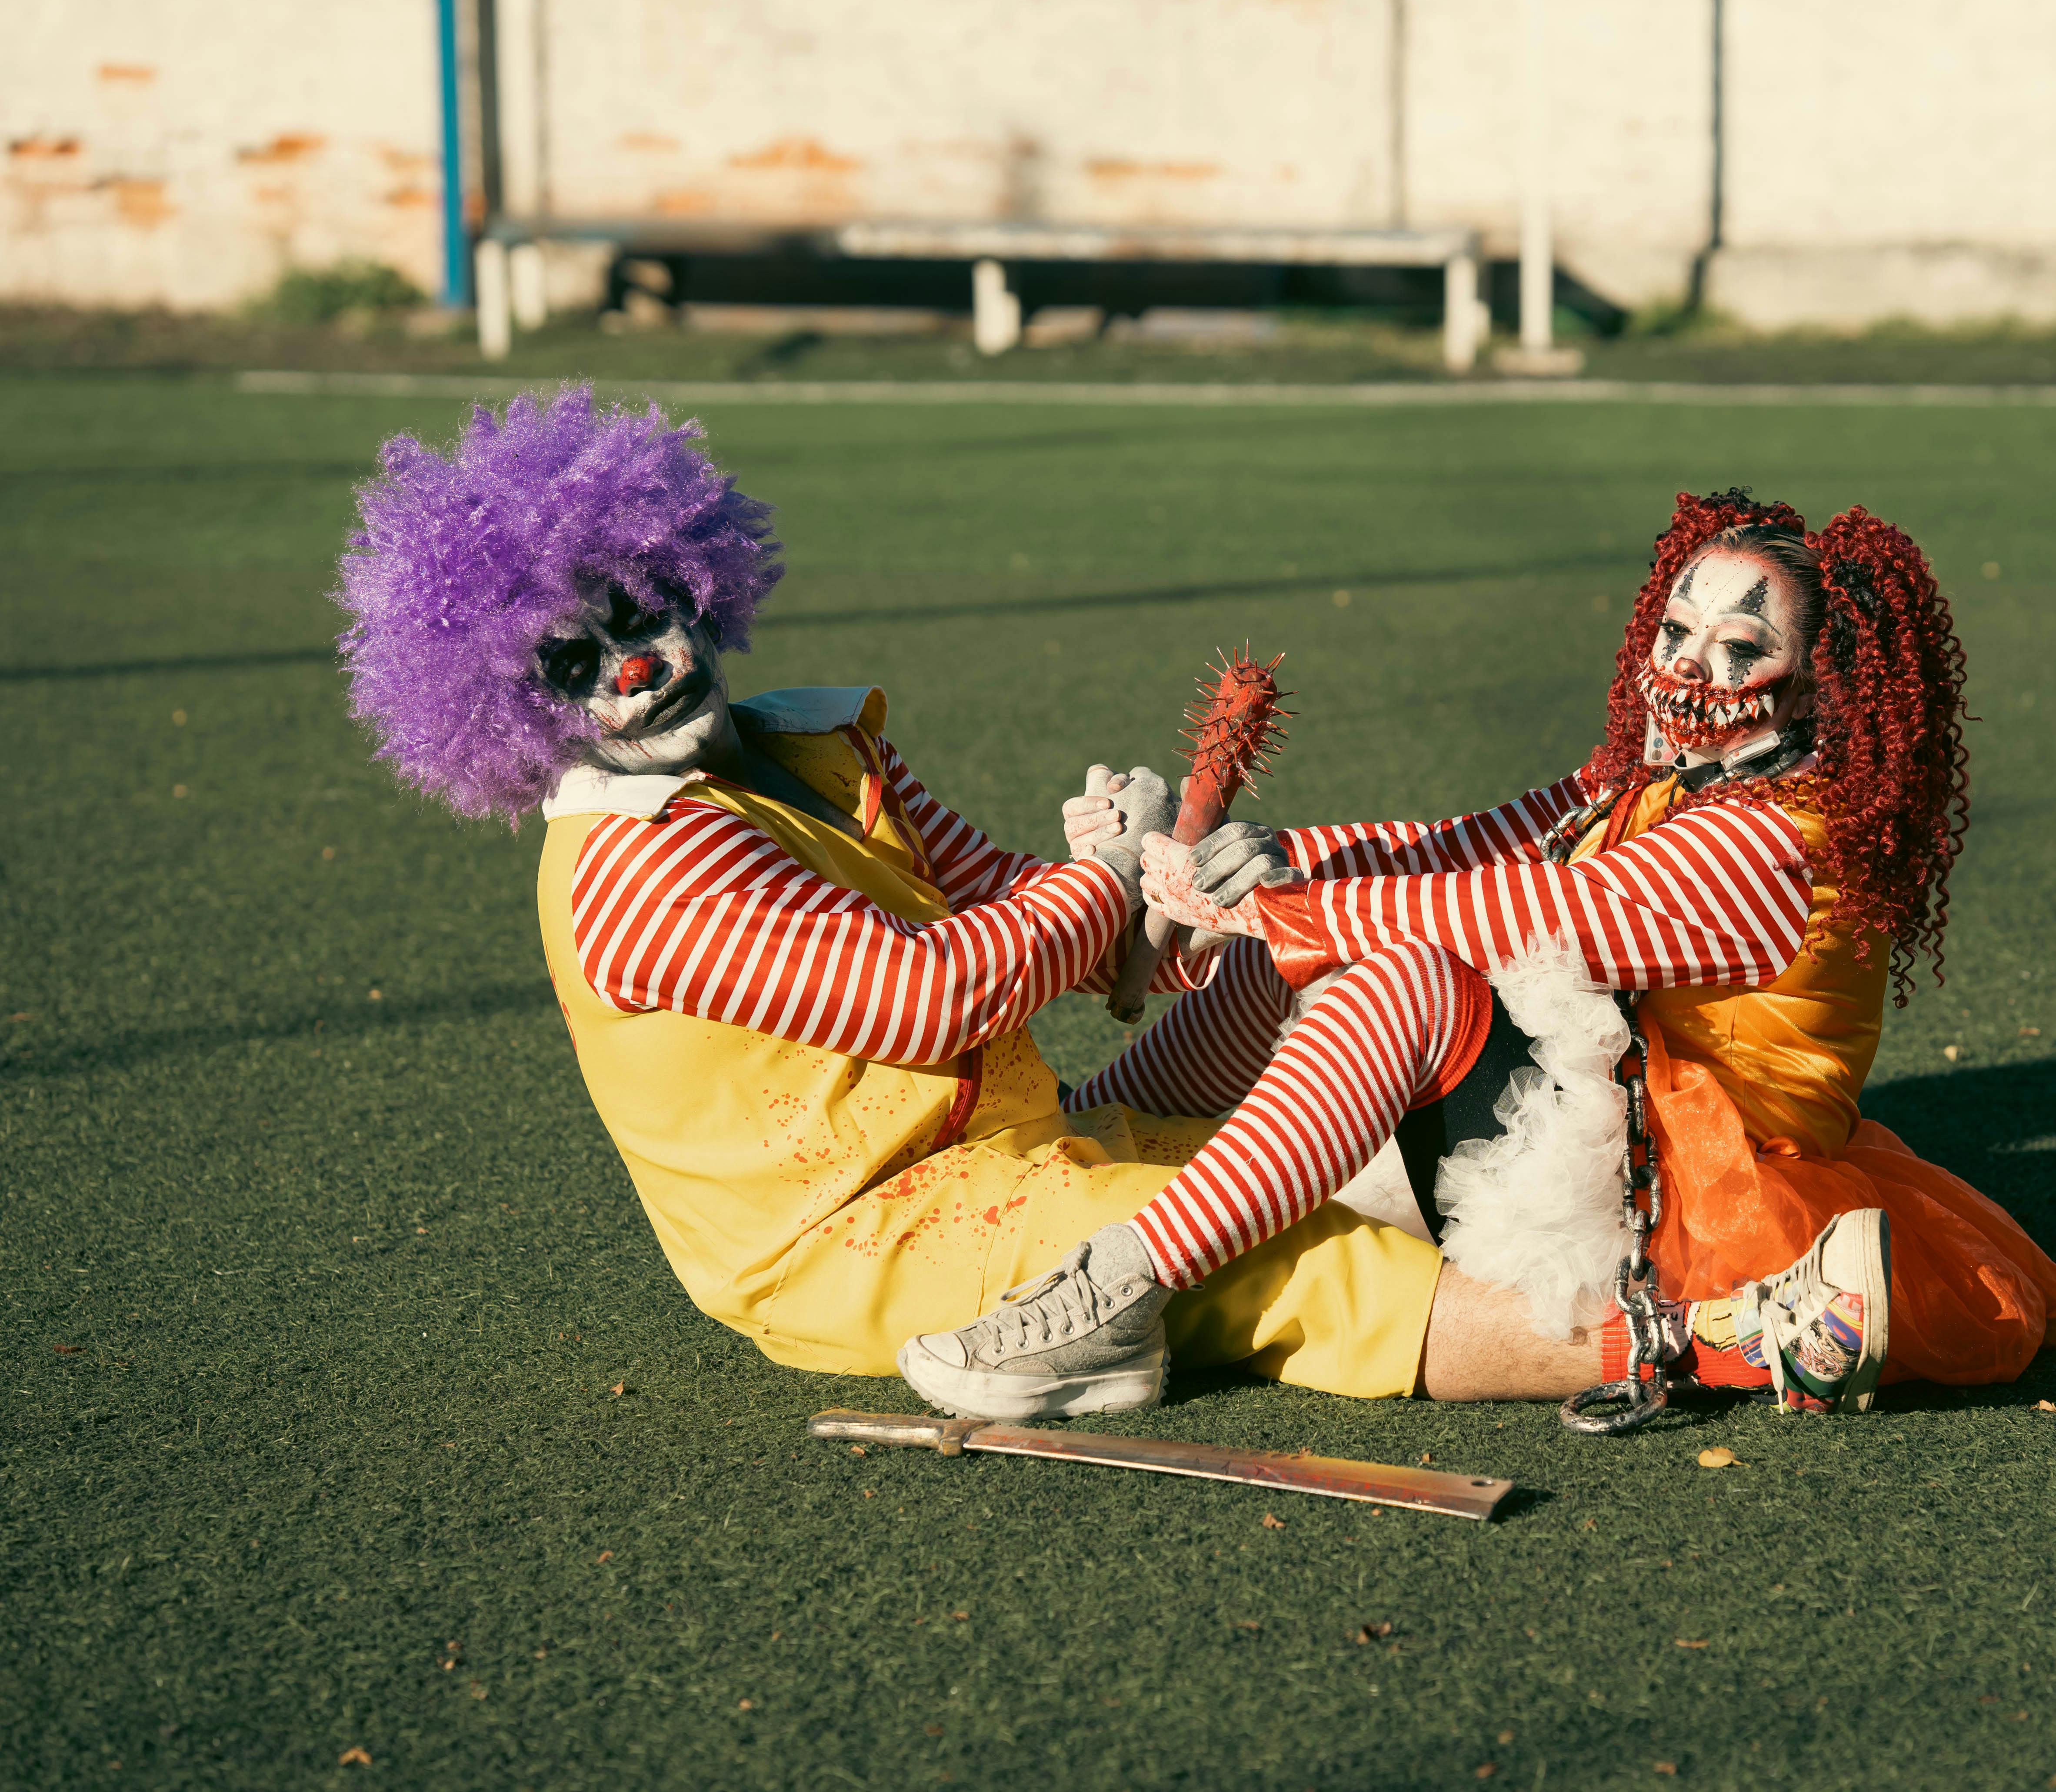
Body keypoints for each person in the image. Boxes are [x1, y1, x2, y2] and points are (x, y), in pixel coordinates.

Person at [337, 388, 1820, 1419]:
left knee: (1393, 989)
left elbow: (1070, 942)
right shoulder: (632, 867)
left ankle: (1201, 1235)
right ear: (504, 706)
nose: (633, 667)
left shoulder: (811, 738)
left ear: (690, 579)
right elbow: (937, 996)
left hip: (1017, 1144)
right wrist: (1101, 883)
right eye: (570, 662)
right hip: (855, 1240)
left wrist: (1158, 892)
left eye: (637, 614)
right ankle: (1727, 1340)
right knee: (1295, 1259)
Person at [908, 490, 2056, 1421]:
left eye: (1741, 649)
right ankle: (1065, 1152)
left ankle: (1114, 1301)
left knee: (1403, 972)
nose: (1687, 669)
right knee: (1345, 945)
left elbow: (1517, 911)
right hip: (1592, 1112)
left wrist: (1251, 904)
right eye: (1678, 629)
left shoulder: (1783, 842)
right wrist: (1241, 857)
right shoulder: (1651, 780)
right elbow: (1456, 844)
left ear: (1820, 693)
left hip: (1674, 1195)